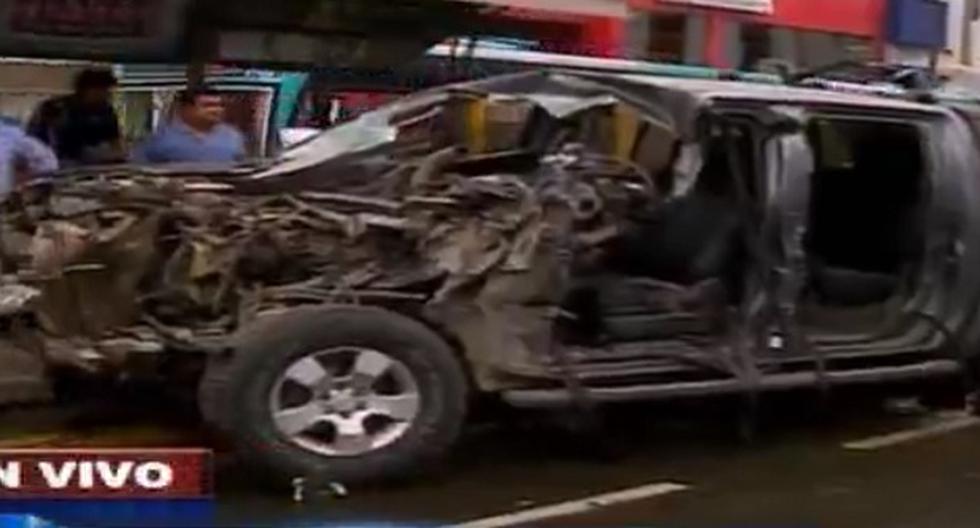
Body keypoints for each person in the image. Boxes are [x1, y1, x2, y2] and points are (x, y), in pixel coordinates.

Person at [27, 68, 125, 166]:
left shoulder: (105, 111)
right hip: (54, 162)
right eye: (104, 90)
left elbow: (115, 142)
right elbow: (54, 143)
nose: (107, 95)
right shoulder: (57, 109)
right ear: (89, 89)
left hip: (93, 165)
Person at [131, 86, 246, 164]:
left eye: (219, 105)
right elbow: (137, 168)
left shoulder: (233, 137)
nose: (215, 110)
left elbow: (242, 168)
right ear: (187, 108)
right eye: (207, 105)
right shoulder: (161, 138)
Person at [0, 120, 58, 197]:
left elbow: (8, 161)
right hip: (46, 162)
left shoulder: (6, 141)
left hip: (40, 166)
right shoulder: (11, 132)